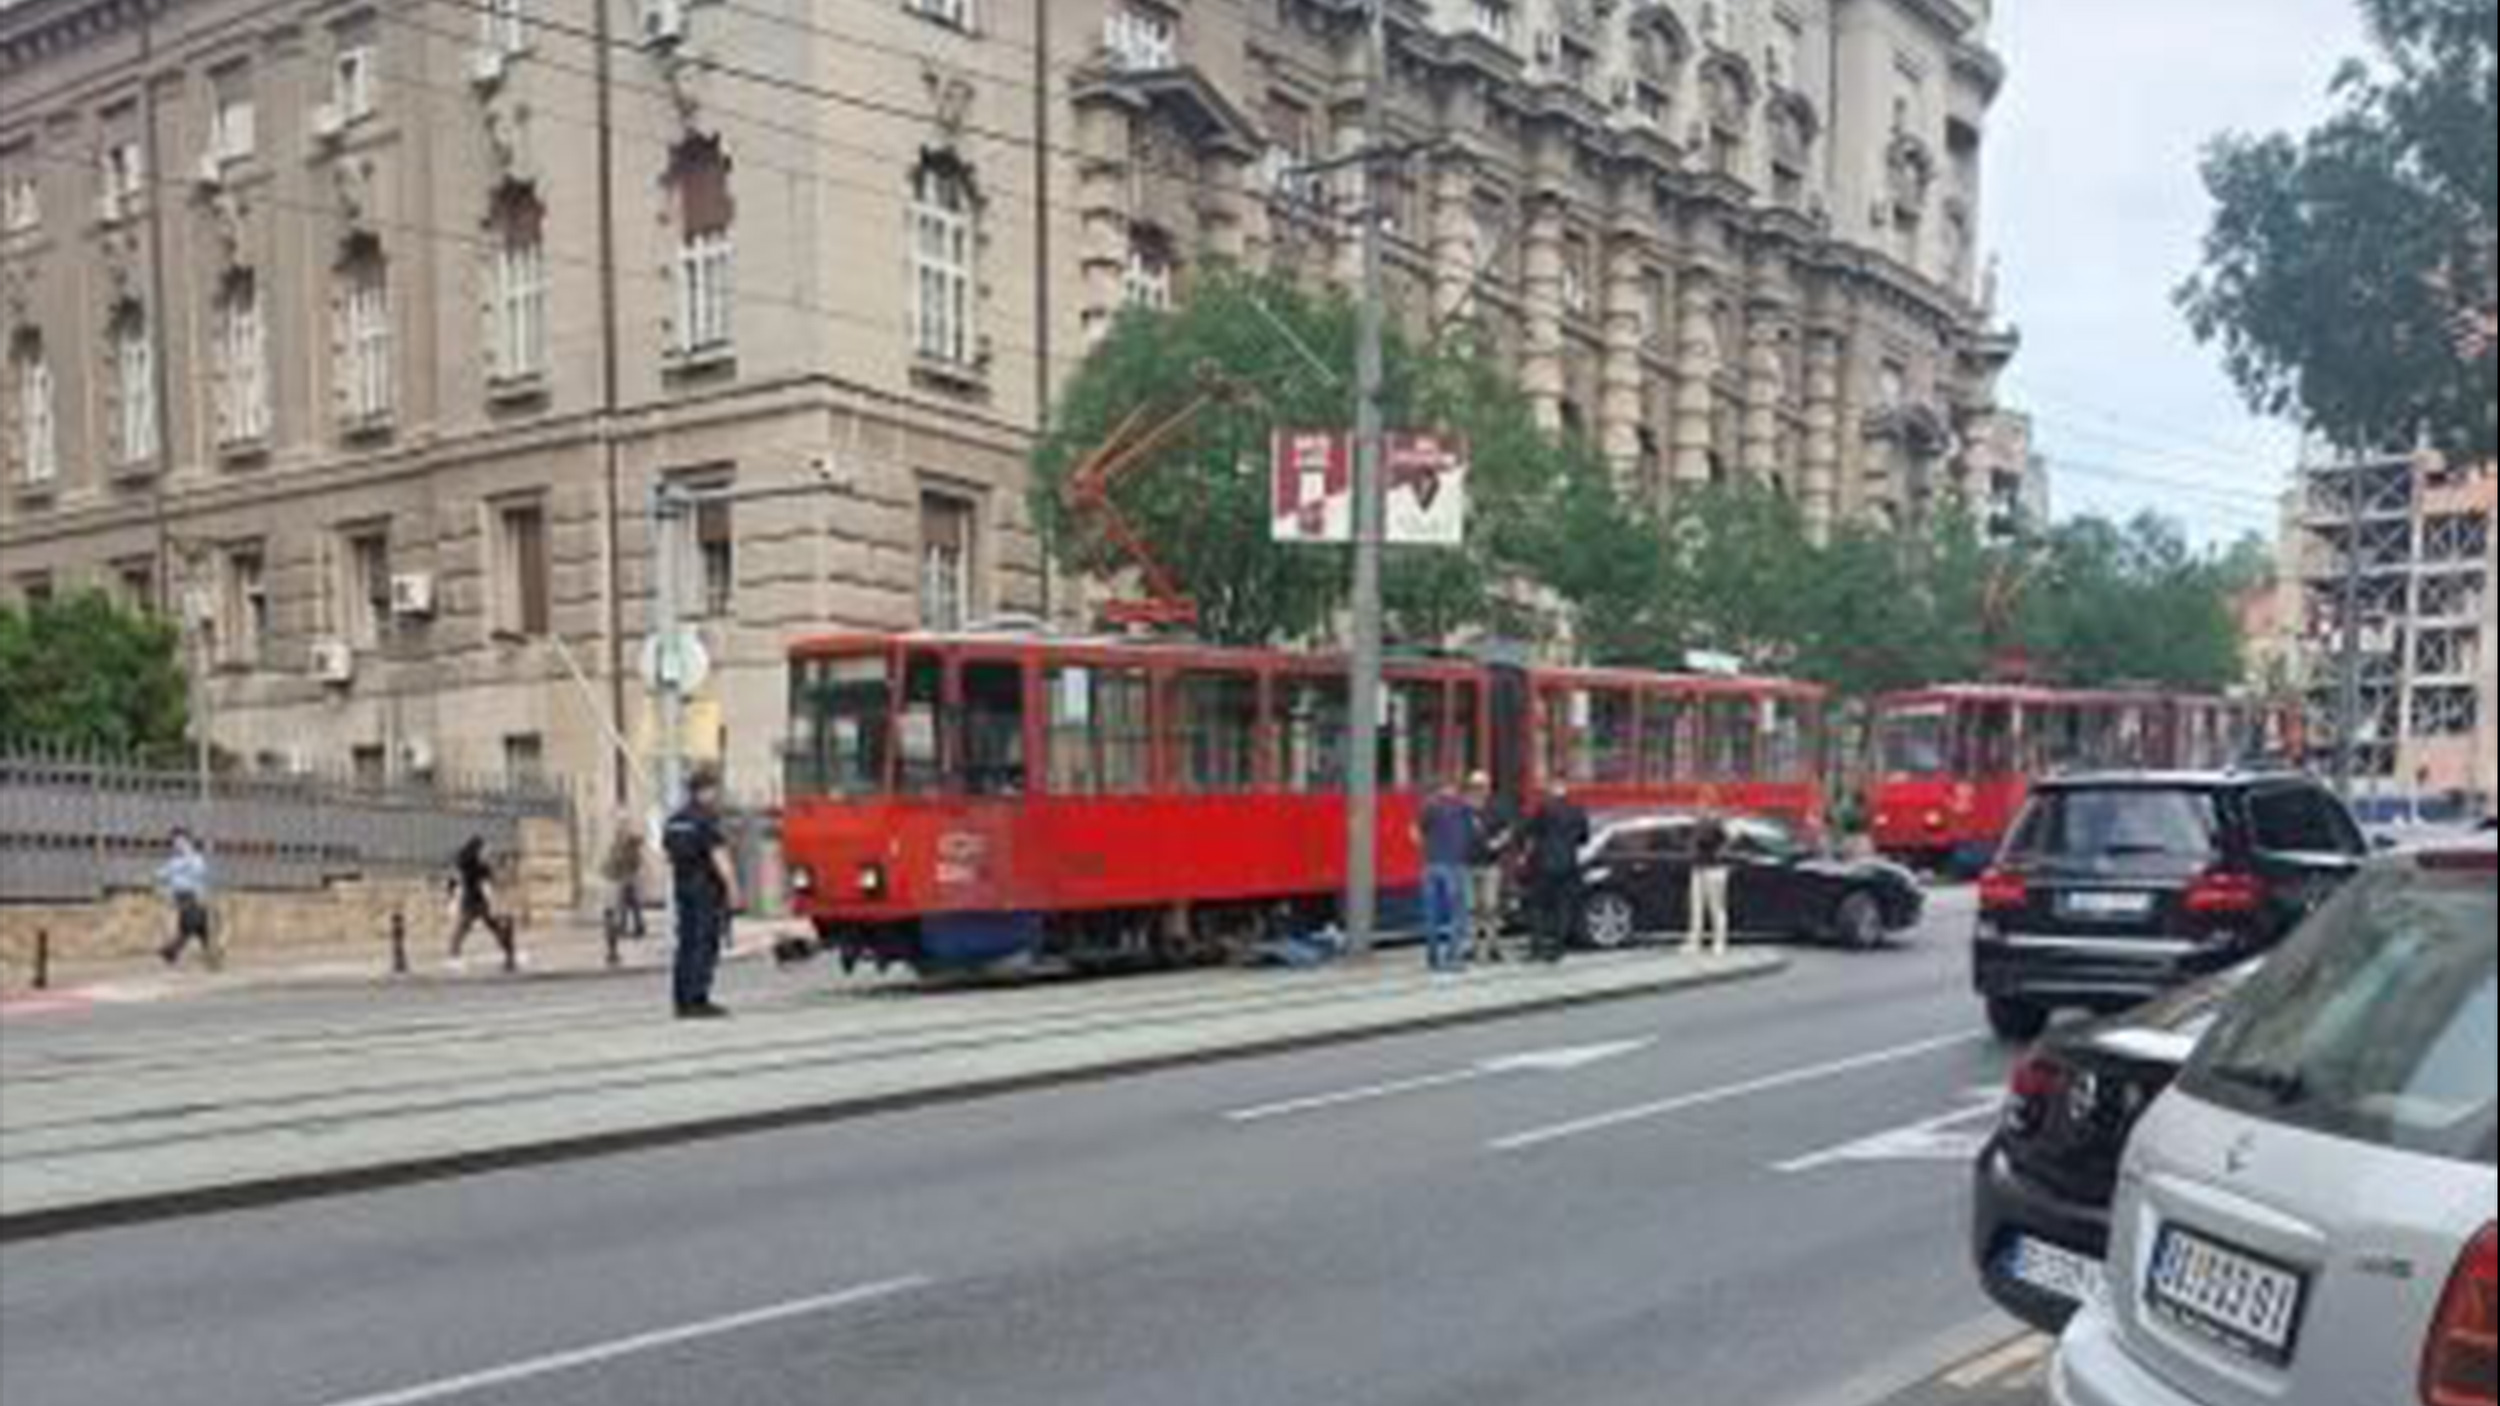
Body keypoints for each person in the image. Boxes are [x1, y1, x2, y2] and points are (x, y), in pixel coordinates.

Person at [664, 769, 743, 1019]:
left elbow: (668, 854)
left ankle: (681, 999)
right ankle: (698, 998)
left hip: (682, 887)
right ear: (705, 790)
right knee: (704, 943)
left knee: (685, 943)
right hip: (705, 890)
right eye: (715, 789)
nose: (718, 795)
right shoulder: (706, 820)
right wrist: (733, 889)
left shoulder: (675, 820)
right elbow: (719, 856)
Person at [1522, 783, 1591, 965]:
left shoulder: (1544, 810)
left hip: (1543, 865)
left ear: (1551, 795)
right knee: (1563, 907)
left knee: (1538, 907)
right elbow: (1584, 838)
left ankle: (1536, 947)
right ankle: (1558, 949)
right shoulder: (1577, 812)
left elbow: (1530, 830)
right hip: (1568, 866)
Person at [1415, 779, 1479, 974]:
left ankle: (1433, 958)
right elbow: (1475, 834)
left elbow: (1416, 832)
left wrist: (1427, 851)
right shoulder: (1463, 810)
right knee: (1457, 914)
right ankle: (1452, 957)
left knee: (1432, 914)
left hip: (1431, 865)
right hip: (1453, 866)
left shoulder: (1429, 807)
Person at [447, 836, 521, 974]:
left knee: (492, 926)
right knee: (464, 928)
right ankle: (454, 955)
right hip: (471, 901)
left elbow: (490, 880)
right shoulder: (469, 865)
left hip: (478, 901)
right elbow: (486, 880)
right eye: (484, 850)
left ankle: (508, 953)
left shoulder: (476, 865)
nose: (486, 853)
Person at [1466, 773, 1515, 966]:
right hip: (1468, 864)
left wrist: (1498, 842)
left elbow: (1508, 830)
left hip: (1490, 865)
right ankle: (1473, 947)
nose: (1478, 790)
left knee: (1490, 907)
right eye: (1475, 786)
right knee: (1472, 908)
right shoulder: (1464, 809)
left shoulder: (1496, 808)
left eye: (1481, 786)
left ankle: (1493, 946)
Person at [156, 829, 219, 970]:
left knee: (198, 925)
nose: (177, 845)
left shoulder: (195, 859)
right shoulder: (174, 861)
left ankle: (173, 951)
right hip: (182, 895)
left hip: (194, 894)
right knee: (193, 923)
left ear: (188, 841)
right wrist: (164, 891)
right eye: (174, 842)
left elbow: (201, 874)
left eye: (181, 841)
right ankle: (174, 951)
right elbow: (163, 875)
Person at [1686, 816, 1734, 960]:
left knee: (1716, 907)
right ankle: (1695, 942)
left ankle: (1719, 943)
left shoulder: (1719, 824)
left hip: (1715, 870)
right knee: (1696, 907)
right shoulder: (1699, 823)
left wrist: (1720, 852)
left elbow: (1730, 841)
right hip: (1699, 868)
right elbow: (1693, 845)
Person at [602, 821, 650, 943]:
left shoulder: (628, 848)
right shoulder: (621, 847)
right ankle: (632, 926)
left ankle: (633, 926)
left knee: (628, 905)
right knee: (628, 905)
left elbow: (629, 862)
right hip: (626, 878)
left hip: (628, 879)